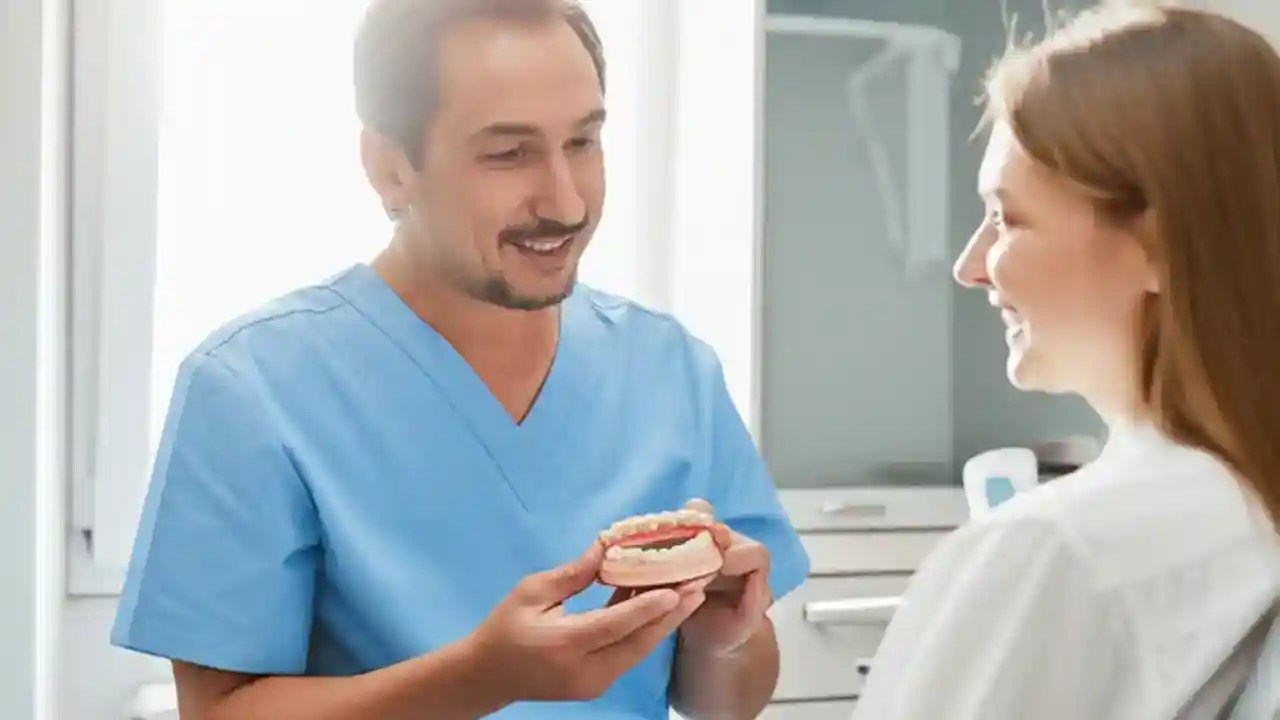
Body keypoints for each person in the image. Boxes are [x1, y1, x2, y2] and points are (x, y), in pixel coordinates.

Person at [109, 1, 811, 718]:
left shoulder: (673, 372)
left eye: (584, 142)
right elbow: (219, 713)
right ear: (390, 168)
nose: (565, 201)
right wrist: (479, 676)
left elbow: (726, 706)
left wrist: (723, 641)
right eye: (508, 154)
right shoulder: (249, 390)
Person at [852, 4, 1280, 719]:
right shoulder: (1244, 517)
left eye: (1006, 218)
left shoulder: (1055, 551)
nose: (971, 267)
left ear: (1160, 242)